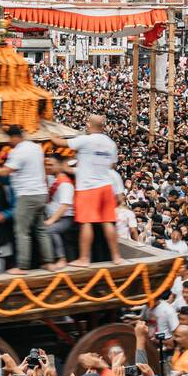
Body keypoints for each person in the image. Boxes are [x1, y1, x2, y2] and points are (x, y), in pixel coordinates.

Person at [0, 124, 52, 274]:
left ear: (14, 137)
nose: (8, 142)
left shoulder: (18, 152)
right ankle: (49, 263)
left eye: (9, 139)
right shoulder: (36, 148)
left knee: (22, 231)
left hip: (27, 195)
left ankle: (22, 266)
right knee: (41, 230)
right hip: (40, 194)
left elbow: (6, 172)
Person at [67, 114, 123, 267]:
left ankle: (84, 259)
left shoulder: (86, 139)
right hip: (106, 186)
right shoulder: (111, 143)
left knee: (86, 222)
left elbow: (62, 143)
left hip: (88, 187)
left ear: (89, 125)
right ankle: (116, 256)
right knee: (107, 222)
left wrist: (50, 135)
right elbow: (112, 165)